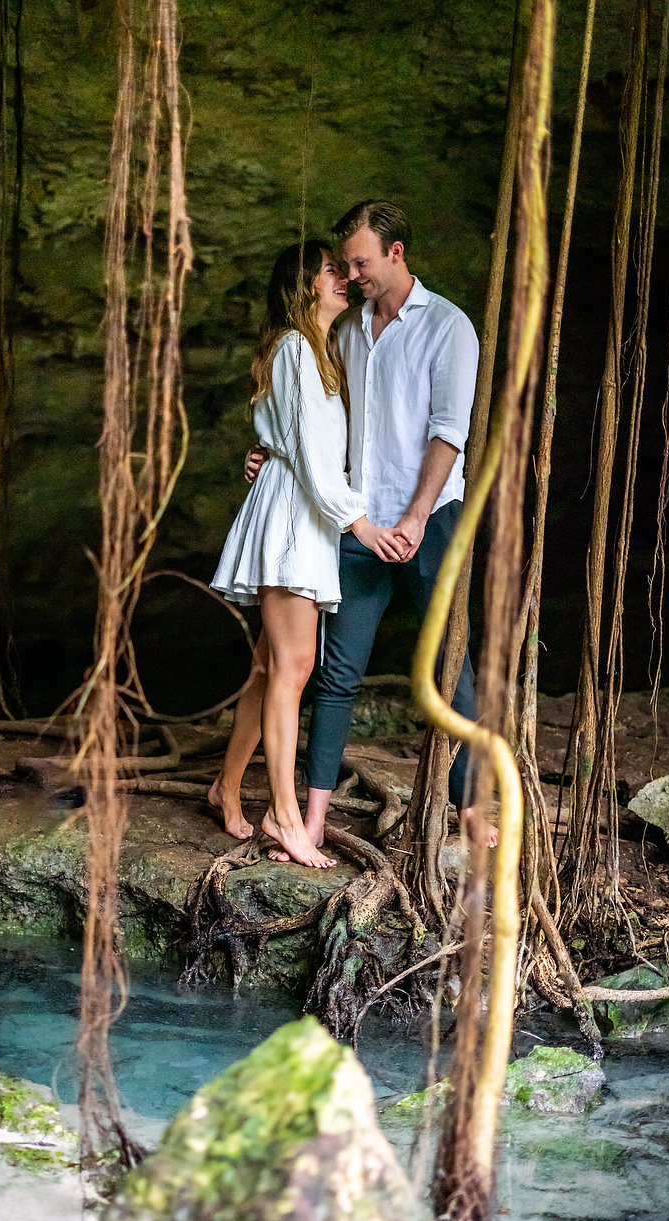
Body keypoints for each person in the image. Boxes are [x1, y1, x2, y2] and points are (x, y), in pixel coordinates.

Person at [246, 199, 496, 854]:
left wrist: (414, 518)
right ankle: (312, 816)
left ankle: (471, 811)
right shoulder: (346, 334)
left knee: (451, 663)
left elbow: (450, 432)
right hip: (360, 525)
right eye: (346, 264)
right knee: (336, 672)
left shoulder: (448, 328)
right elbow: (311, 420)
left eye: (360, 261)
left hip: (430, 518)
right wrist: (267, 453)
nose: (353, 273)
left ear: (395, 253)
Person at [209, 239, 407, 867]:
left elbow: (299, 442)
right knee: (294, 672)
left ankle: (226, 788)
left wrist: (268, 454)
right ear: (304, 284)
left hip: (300, 512)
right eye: (330, 271)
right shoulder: (298, 349)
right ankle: (285, 815)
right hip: (296, 522)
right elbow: (315, 459)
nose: (343, 279)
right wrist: (365, 526)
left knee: (271, 669)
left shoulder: (318, 352)